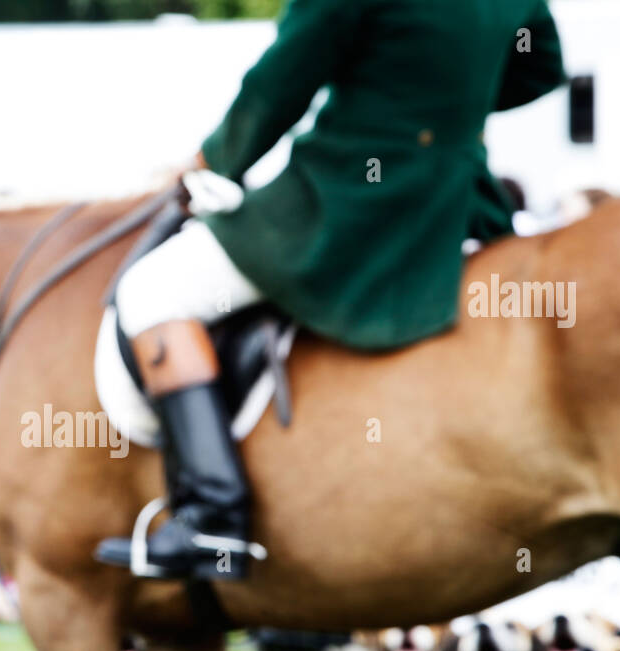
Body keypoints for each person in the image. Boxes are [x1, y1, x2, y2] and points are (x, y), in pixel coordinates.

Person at [96, 0, 566, 581]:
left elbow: (282, 78)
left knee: (153, 290)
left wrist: (210, 163)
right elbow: (540, 64)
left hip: (351, 198)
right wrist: (441, 106)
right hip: (460, 203)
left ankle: (213, 517)